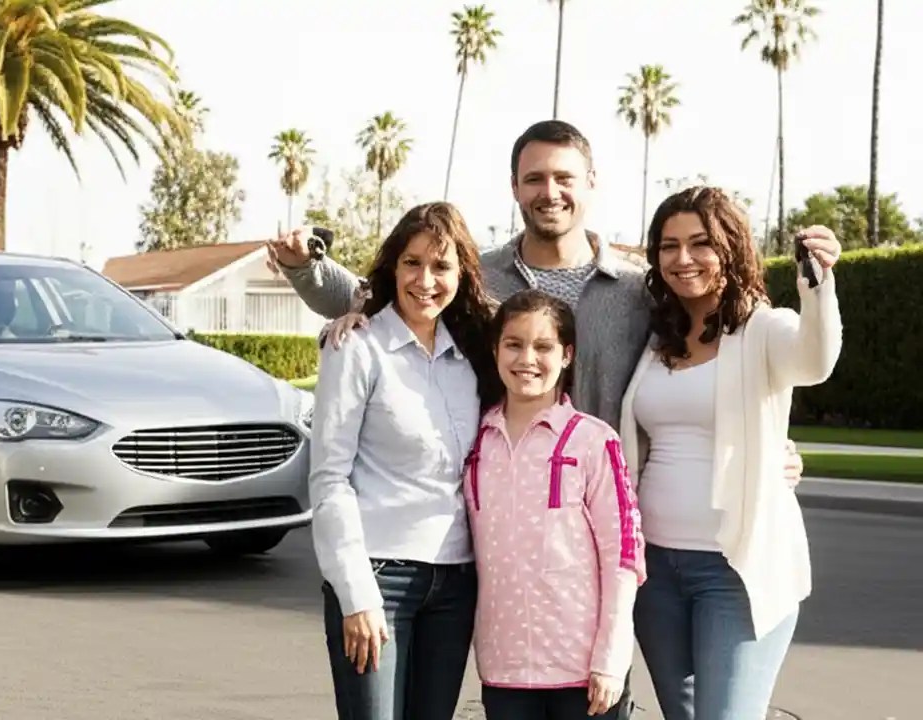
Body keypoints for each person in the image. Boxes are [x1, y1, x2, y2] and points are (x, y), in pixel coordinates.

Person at [273, 118, 801, 719]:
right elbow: (407, 291)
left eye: (563, 177)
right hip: (504, 545)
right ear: (515, 188)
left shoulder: (638, 290)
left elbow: (716, 343)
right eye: (534, 179)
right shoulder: (481, 277)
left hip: (602, 543)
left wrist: (770, 441)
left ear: (591, 183)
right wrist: (327, 285)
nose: (549, 191)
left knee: (608, 700)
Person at [619, 186, 842, 720]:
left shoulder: (764, 328)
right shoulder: (656, 338)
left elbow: (814, 360)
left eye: (700, 243)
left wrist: (819, 288)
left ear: (732, 249)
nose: (682, 258)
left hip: (734, 571)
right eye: (668, 246)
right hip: (655, 570)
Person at [309, 201, 497, 720]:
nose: (426, 280)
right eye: (412, 263)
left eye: (441, 266)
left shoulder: (474, 353)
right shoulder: (356, 346)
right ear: (393, 267)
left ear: (462, 274)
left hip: (456, 580)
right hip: (379, 576)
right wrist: (356, 593)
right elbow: (329, 478)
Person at [464, 289, 645, 720]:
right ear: (495, 351)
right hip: (504, 669)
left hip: (584, 672)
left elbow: (622, 557)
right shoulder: (475, 441)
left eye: (543, 346)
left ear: (566, 355)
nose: (527, 358)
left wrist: (611, 659)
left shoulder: (593, 440)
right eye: (514, 344)